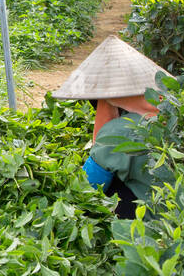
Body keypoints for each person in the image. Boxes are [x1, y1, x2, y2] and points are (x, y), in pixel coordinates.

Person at [52, 35, 168, 219]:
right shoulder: (175, 113)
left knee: (107, 186)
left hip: (155, 224)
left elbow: (86, 191)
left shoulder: (120, 131)